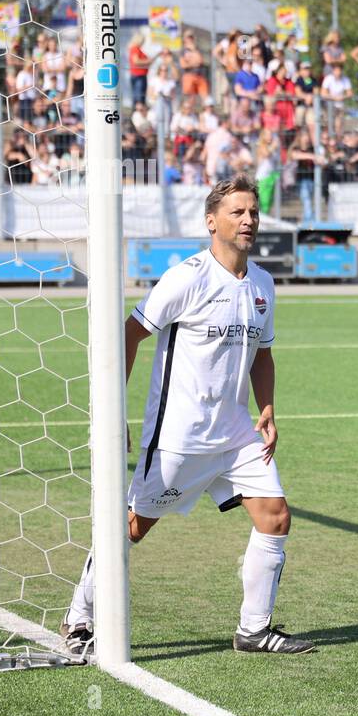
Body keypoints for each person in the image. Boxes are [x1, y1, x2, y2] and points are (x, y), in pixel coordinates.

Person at [59, 175, 313, 656]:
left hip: (238, 433)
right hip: (180, 435)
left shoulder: (262, 283)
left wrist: (268, 409)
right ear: (211, 221)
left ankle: (253, 631)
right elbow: (130, 334)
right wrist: (113, 410)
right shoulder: (186, 277)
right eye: (237, 212)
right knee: (132, 527)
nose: (248, 220)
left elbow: (263, 354)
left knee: (275, 517)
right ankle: (79, 619)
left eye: (253, 212)